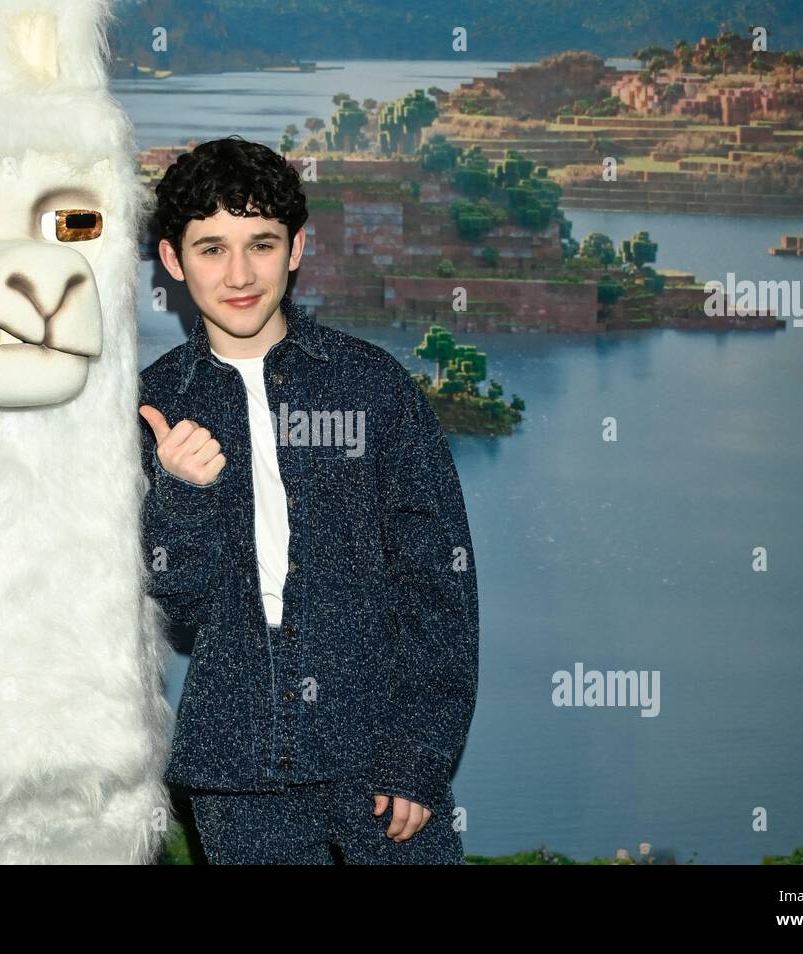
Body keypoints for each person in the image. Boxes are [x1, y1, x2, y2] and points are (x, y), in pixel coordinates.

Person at [139, 135, 479, 864]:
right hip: (236, 773)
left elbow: (439, 586)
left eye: (261, 244)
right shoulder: (151, 405)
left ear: (295, 248)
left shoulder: (373, 387)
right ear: (171, 261)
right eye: (211, 249)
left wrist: (419, 755)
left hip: (382, 760)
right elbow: (178, 616)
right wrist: (184, 495)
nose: (239, 274)